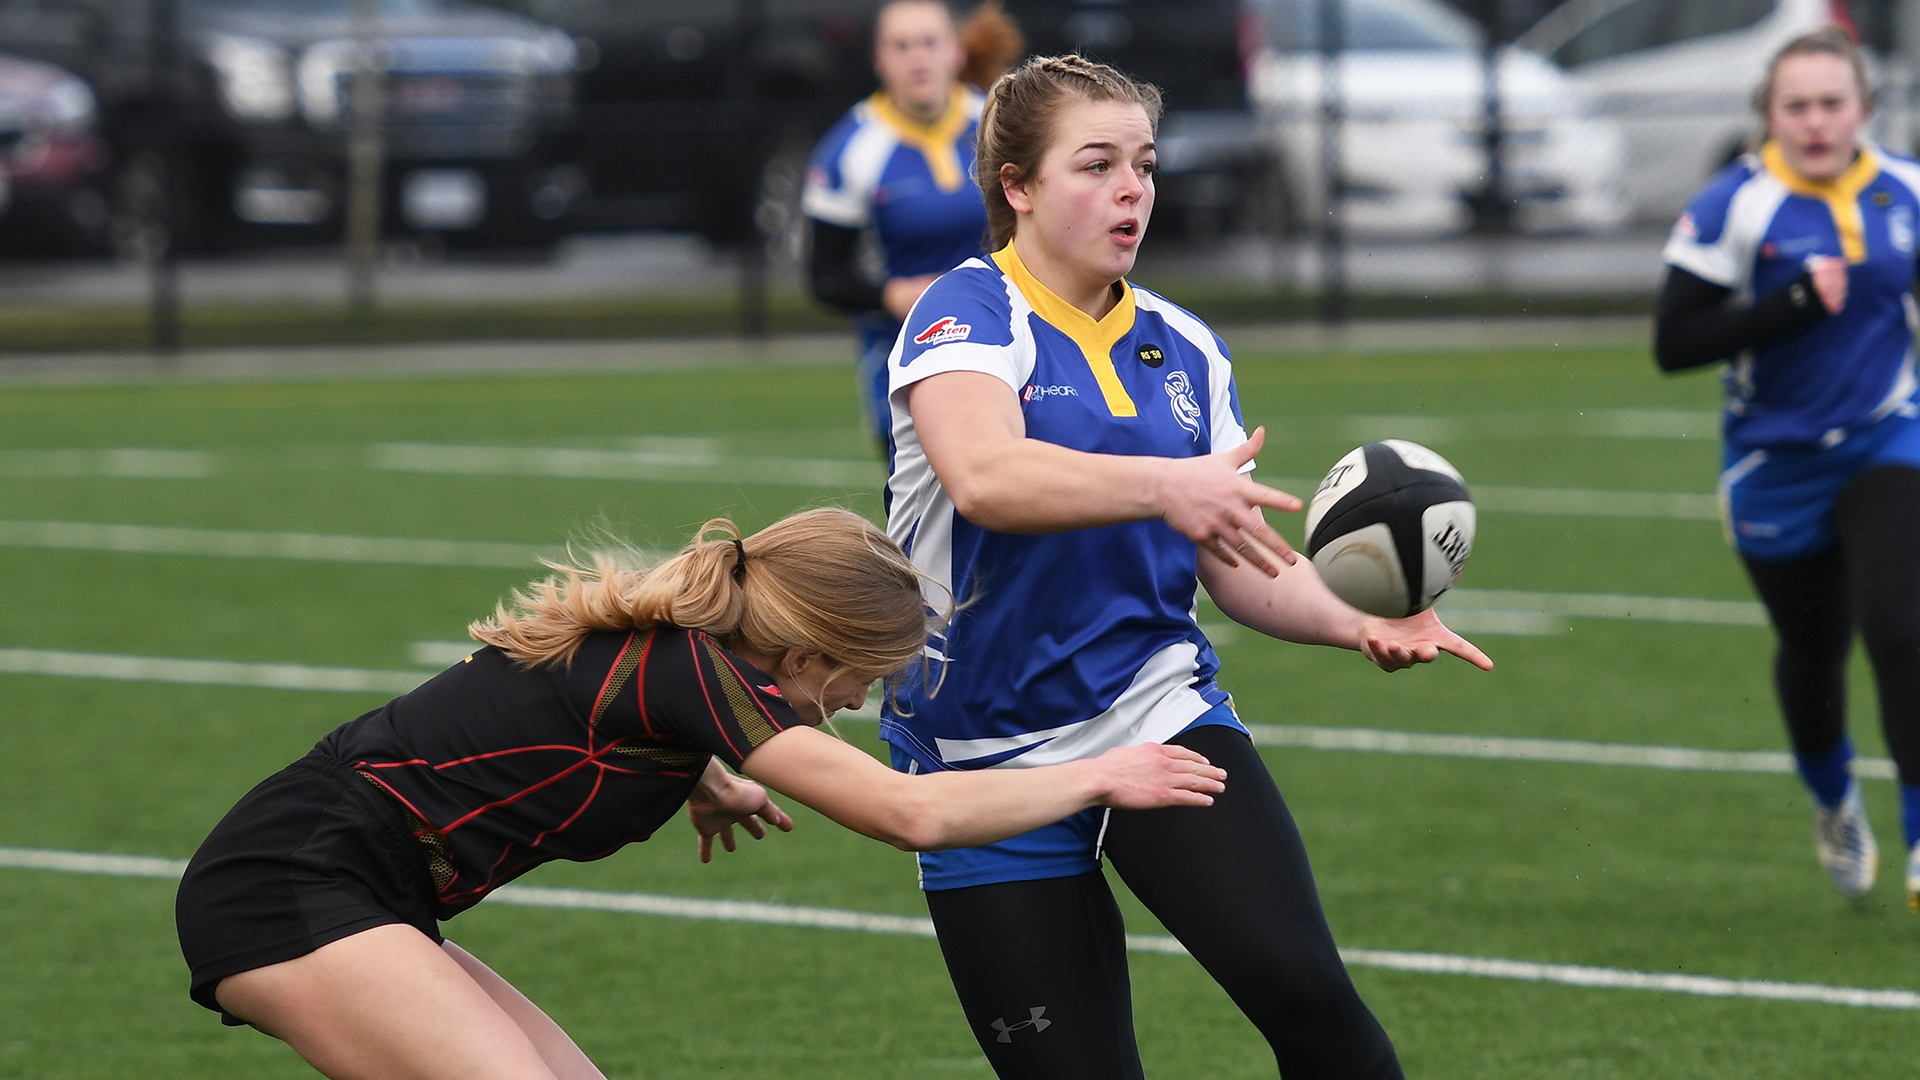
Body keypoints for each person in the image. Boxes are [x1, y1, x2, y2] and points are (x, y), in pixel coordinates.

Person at [881, 55, 1492, 1080]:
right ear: (1018, 186)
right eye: (1097, 165)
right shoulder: (966, 316)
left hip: (1157, 712)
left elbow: (1237, 562)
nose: (1132, 189)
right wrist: (1165, 486)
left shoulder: (1187, 347)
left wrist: (1357, 615)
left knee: (1314, 1003)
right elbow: (986, 476)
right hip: (981, 755)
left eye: (1145, 165)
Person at [173, 507, 1226, 1080]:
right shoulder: (697, 674)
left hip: (363, 884)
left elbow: (567, 725)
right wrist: (1101, 771)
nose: (858, 703)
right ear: (810, 651)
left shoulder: (683, 679)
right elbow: (913, 813)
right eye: (865, 676)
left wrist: (701, 776)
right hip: (292, 881)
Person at [1655, 25, 1920, 913]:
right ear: (1768, 114)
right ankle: (1834, 798)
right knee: (1814, 652)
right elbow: (1674, 343)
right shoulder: (1735, 204)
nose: (1815, 122)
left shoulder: (1907, 191)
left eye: (1832, 103)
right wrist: (1792, 305)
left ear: (1865, 109)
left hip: (1890, 436)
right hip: (1774, 463)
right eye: (1796, 106)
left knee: (1903, 626)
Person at [803, 0, 1020, 452]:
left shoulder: (1002, 125)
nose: (917, 57)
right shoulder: (850, 151)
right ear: (879, 60)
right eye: (901, 46)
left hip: (1012, 338)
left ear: (956, 51)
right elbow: (824, 276)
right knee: (920, 513)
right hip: (908, 355)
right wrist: (894, 295)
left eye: (929, 42)